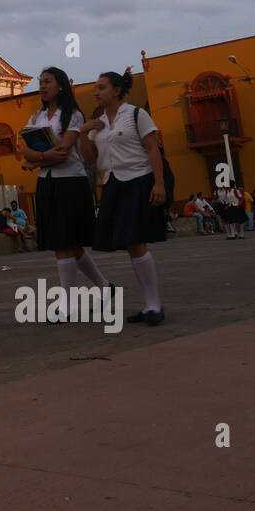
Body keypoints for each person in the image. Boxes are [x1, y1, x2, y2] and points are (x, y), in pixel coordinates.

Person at [19, 67, 110, 319]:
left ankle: (67, 306)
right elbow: (24, 149)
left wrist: (35, 160)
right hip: (47, 183)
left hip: (70, 182)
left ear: (60, 85)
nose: (42, 86)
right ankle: (104, 285)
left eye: (47, 81)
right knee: (73, 246)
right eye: (40, 82)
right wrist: (40, 158)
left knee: (64, 243)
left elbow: (63, 152)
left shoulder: (73, 115)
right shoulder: (36, 117)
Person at [78, 69, 165, 325]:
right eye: (95, 88)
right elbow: (90, 159)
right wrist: (84, 133)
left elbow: (153, 148)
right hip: (113, 184)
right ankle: (151, 305)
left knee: (136, 241)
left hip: (138, 180)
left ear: (116, 90)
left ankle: (154, 304)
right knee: (130, 243)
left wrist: (159, 184)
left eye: (101, 87)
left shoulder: (136, 114)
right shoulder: (99, 123)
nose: (96, 92)